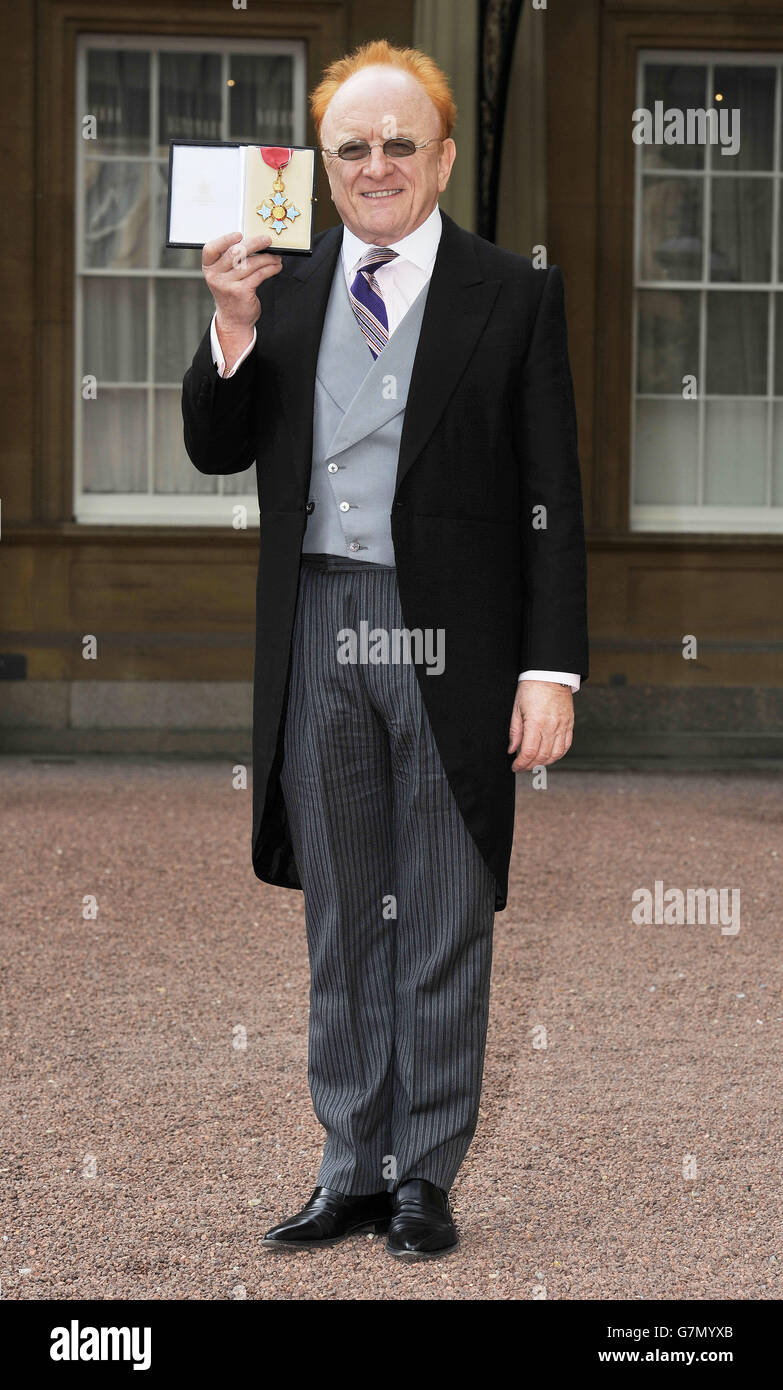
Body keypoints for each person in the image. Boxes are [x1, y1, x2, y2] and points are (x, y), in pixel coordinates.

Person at [182, 39, 588, 1261]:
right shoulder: (282, 284)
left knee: (448, 906)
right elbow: (215, 450)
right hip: (319, 621)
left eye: (397, 142)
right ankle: (349, 1164)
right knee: (345, 909)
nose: (374, 165)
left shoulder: (511, 291)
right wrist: (230, 326)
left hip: (457, 638)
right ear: (322, 161)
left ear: (442, 155)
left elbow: (553, 497)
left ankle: (425, 1174)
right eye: (350, 145)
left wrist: (549, 668)